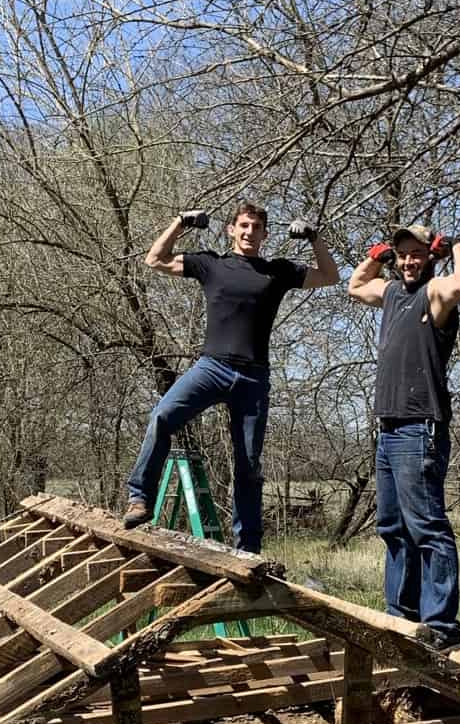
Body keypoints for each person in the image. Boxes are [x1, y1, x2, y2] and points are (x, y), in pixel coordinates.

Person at [125, 200, 338, 551]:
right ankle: (139, 498)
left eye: (256, 227)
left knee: (249, 464)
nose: (249, 232)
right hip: (212, 367)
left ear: (265, 234)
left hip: (253, 377)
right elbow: (155, 259)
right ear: (231, 230)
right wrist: (180, 222)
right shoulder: (212, 264)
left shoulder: (278, 271)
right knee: (162, 416)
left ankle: (248, 548)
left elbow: (330, 276)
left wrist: (314, 237)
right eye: (243, 226)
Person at [348, 221, 460, 649]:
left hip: (420, 427)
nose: (409, 261)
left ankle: (441, 627)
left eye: (417, 254)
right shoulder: (390, 293)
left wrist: (455, 243)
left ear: (430, 256)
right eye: (403, 254)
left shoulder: (435, 292)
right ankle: (401, 620)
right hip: (388, 428)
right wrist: (376, 255)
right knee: (393, 528)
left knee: (427, 527)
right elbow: (355, 286)